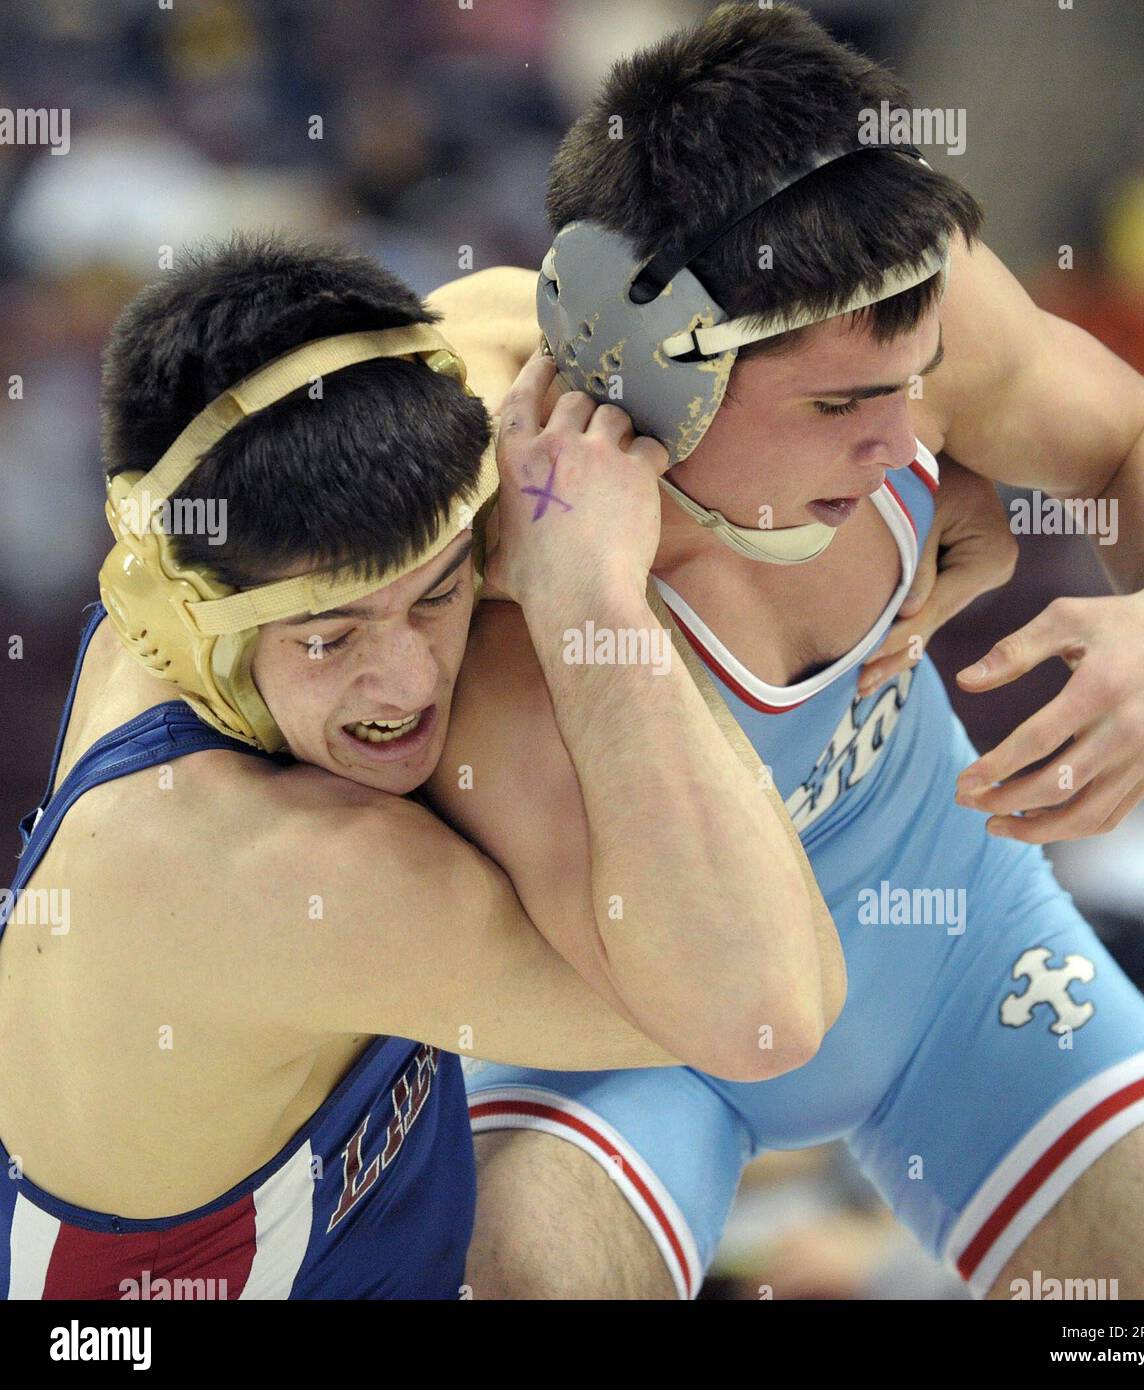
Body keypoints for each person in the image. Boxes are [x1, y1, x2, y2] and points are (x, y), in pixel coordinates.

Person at [425, 4, 1144, 1298]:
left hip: (954, 947)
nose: (894, 441)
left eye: (910, 384)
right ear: (646, 366)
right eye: (836, 405)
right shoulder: (469, 581)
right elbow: (751, 1014)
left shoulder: (898, 309)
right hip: (620, 1039)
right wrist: (598, 615)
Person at [0, 233, 842, 1299]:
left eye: (437, 592)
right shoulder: (263, 871)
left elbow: (510, 309)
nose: (402, 683)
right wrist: (592, 597)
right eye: (328, 636)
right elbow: (767, 1012)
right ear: (189, 624)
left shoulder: (306, 493)